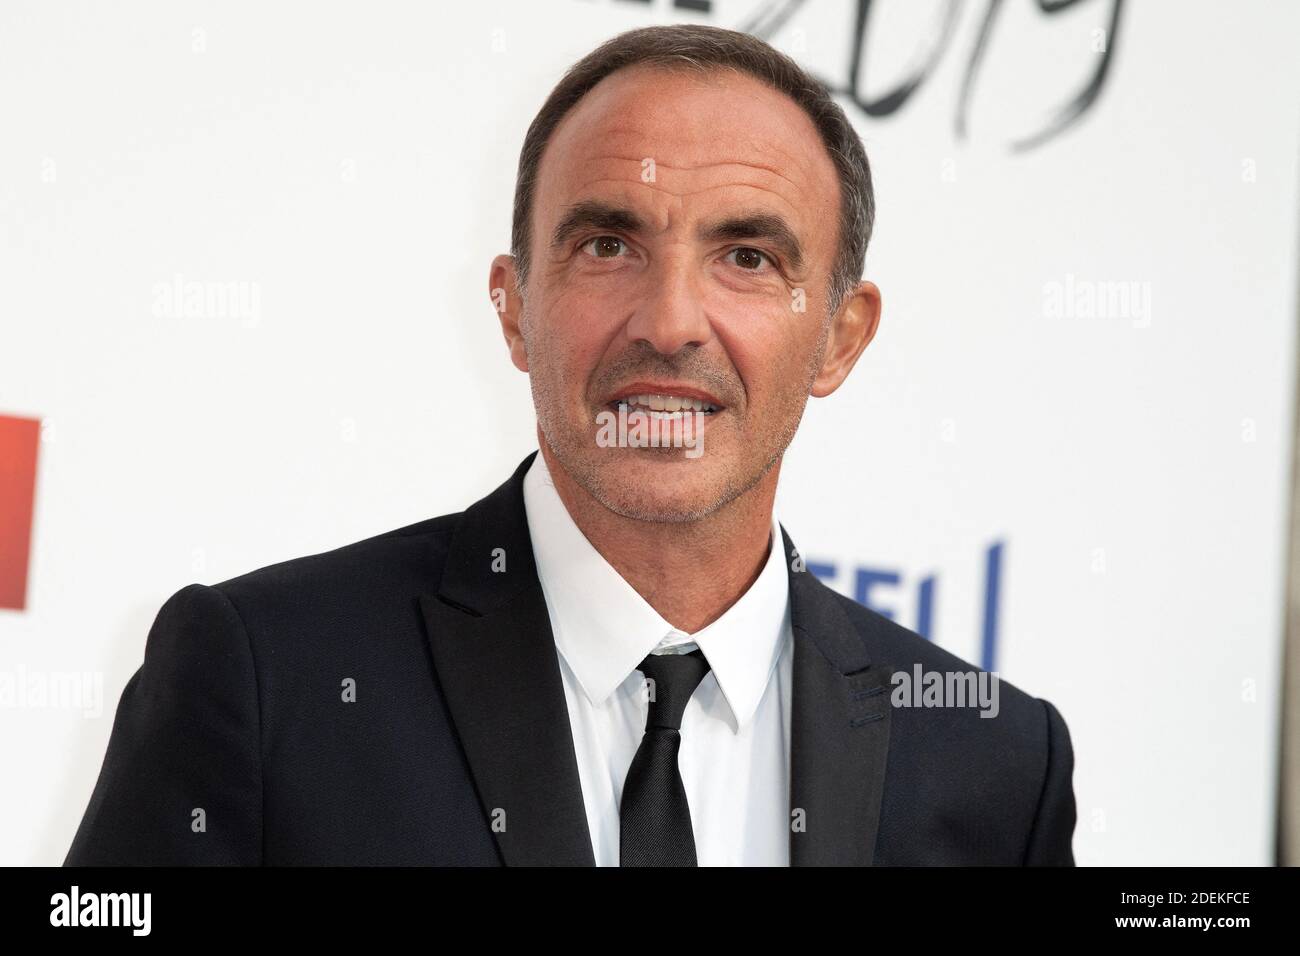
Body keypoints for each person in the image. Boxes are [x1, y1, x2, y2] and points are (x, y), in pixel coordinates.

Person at [65, 23, 1075, 867]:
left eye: (747, 256)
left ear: (839, 337)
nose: (670, 320)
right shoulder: (260, 676)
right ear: (513, 310)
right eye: (608, 245)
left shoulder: (992, 760)